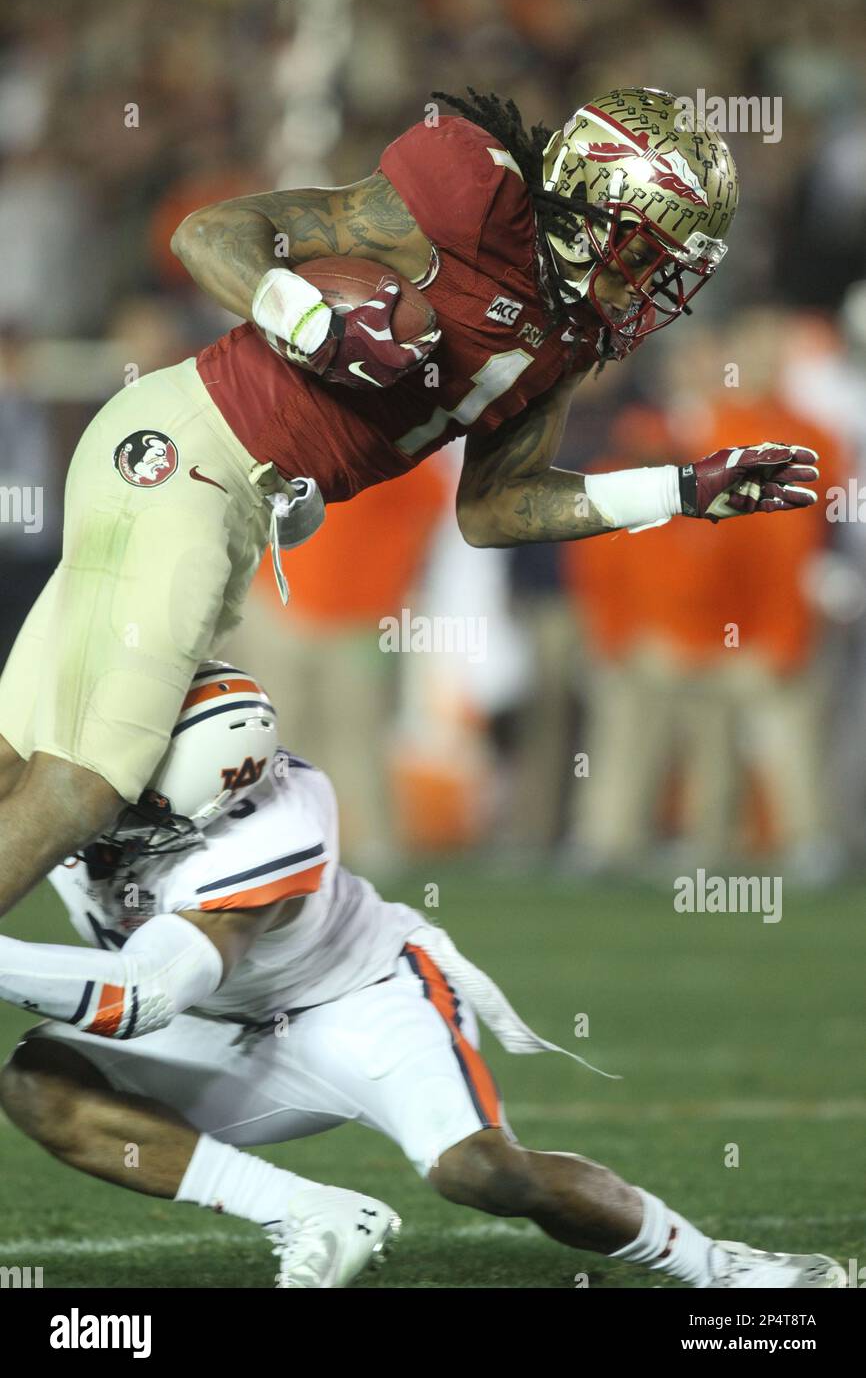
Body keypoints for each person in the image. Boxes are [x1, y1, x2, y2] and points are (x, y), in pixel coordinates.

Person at [0, 87, 819, 930]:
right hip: (190, 451)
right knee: (87, 783)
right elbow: (208, 234)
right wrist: (308, 319)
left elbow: (496, 506)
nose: (655, 285)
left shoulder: (567, 337)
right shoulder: (469, 198)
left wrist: (676, 491)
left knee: (19, 753)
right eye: (649, 254)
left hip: (235, 499)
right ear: (590, 201)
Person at [0, 662, 842, 1289]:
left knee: (485, 1174)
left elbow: (140, 996)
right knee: (40, 1083)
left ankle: (722, 1268)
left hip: (359, 1004)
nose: (112, 793)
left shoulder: (268, 834)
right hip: (219, 1022)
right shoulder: (109, 756)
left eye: (141, 793)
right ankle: (308, 1209)